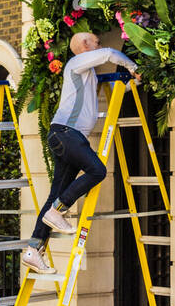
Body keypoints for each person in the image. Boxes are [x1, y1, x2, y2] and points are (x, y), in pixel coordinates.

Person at [22, 31, 139, 272]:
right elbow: (108, 54)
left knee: (55, 194)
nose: (100, 44)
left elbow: (108, 95)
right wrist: (133, 65)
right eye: (96, 41)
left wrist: (136, 81)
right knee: (97, 170)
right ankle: (59, 209)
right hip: (67, 134)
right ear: (85, 45)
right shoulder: (75, 64)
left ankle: (33, 249)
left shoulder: (87, 76)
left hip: (66, 137)